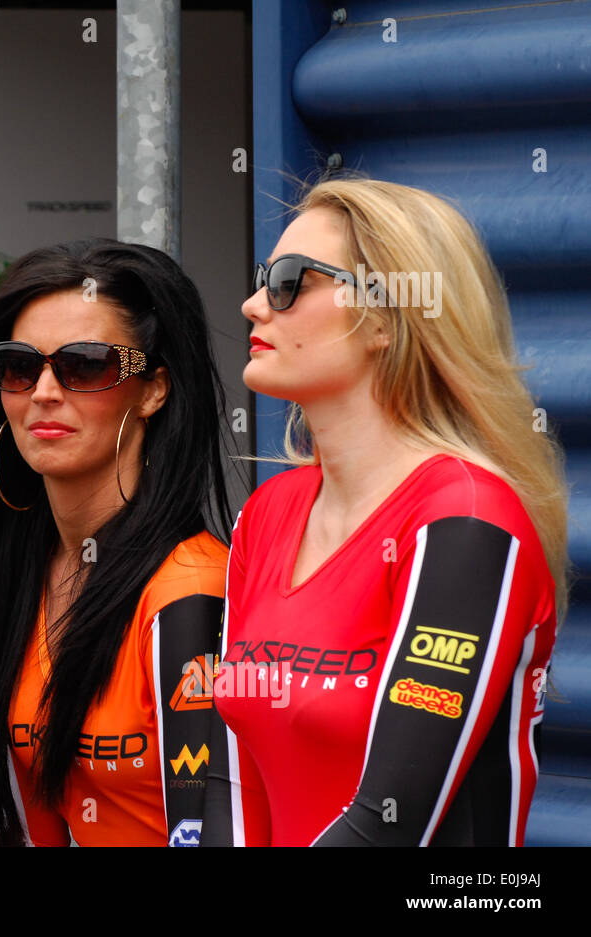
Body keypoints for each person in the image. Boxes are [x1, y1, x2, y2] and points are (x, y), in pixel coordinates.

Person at [201, 177, 568, 846]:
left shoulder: (467, 519)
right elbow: (232, 778)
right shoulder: (269, 510)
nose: (255, 304)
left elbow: (389, 825)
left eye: (289, 282)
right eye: (263, 279)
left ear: (383, 317)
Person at [0, 238, 234, 846]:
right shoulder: (18, 572)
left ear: (153, 390)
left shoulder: (190, 590)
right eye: (18, 366)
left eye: (84, 365)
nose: (43, 391)